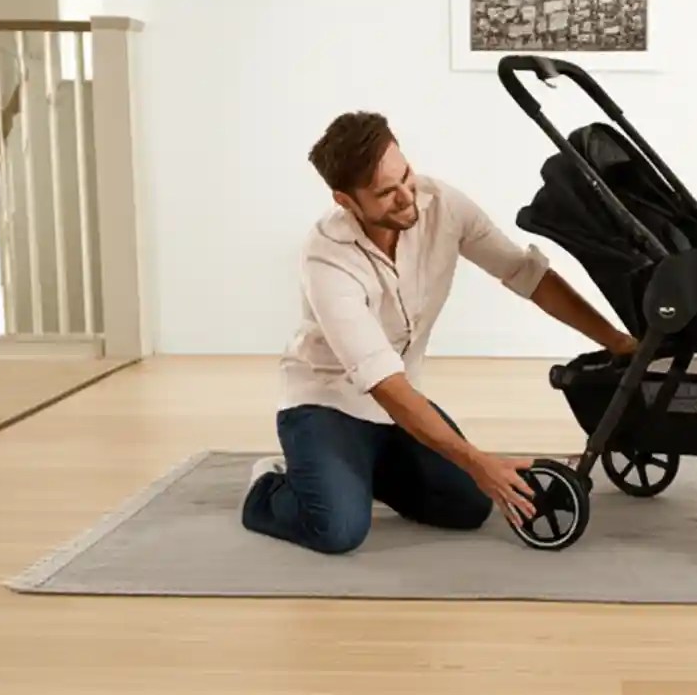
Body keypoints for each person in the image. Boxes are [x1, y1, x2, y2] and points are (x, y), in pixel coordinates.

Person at [241, 111, 637, 554]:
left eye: (405, 175)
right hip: (327, 404)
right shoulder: (326, 257)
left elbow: (524, 273)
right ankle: (271, 484)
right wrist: (478, 461)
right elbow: (382, 381)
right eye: (385, 193)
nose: (406, 196)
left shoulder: (442, 204)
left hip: (395, 411)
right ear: (346, 200)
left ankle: (356, 473)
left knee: (467, 507)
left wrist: (616, 341)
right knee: (337, 530)